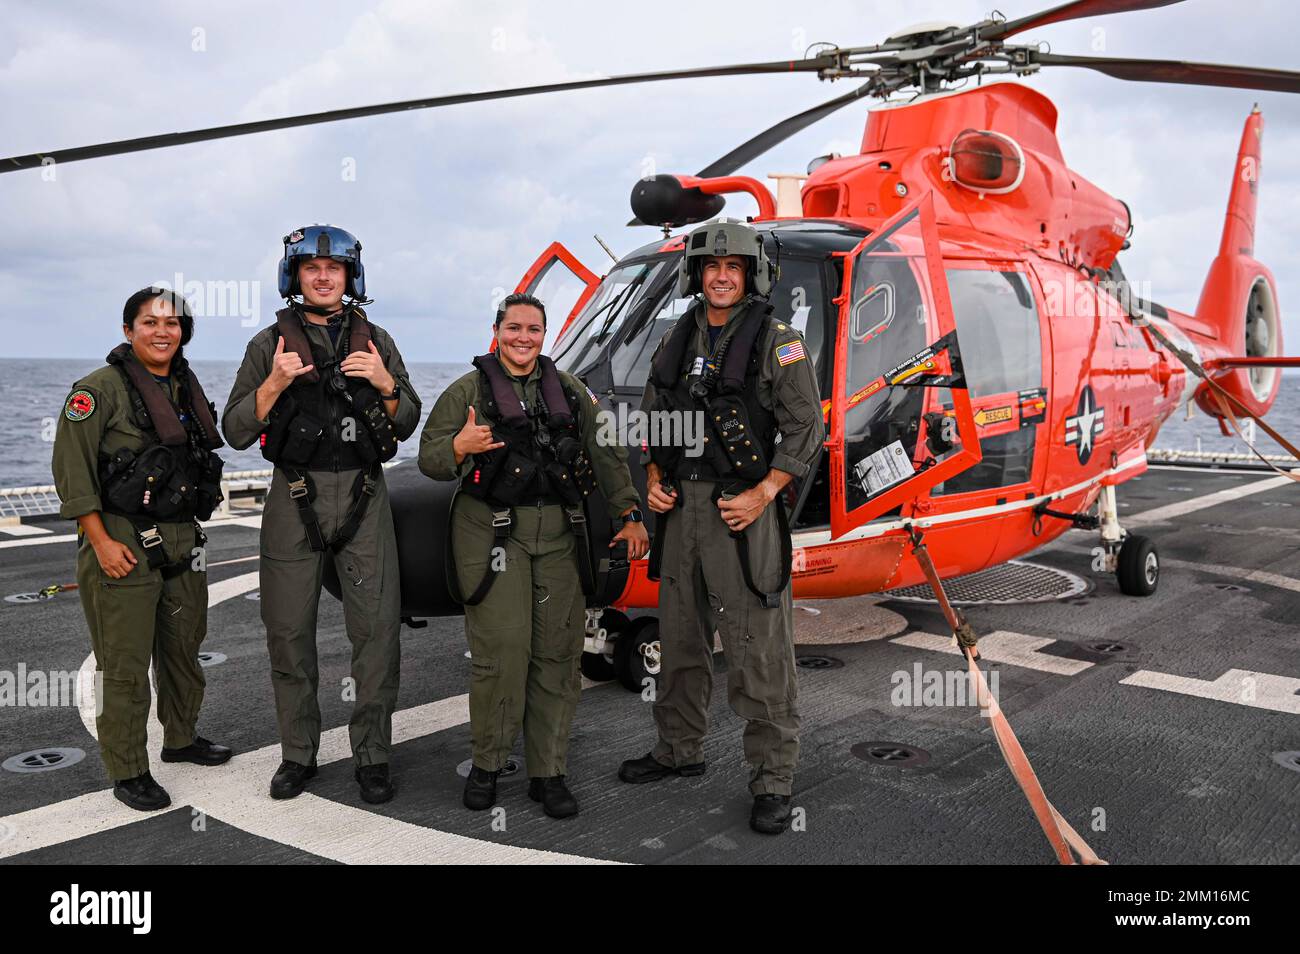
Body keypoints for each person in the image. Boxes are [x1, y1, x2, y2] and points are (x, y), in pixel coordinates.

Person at [618, 220, 824, 835]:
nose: (722, 276)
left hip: (743, 513)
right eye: (712, 266)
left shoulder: (777, 341)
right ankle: (677, 749)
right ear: (697, 274)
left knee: (758, 652)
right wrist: (655, 475)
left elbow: (805, 429)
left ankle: (772, 780)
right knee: (679, 638)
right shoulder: (675, 340)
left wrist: (765, 494)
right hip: (681, 512)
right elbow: (655, 416)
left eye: (733, 266)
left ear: (751, 272)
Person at [419, 292, 647, 818]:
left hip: (559, 536)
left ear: (545, 336)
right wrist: (461, 446)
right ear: (496, 330)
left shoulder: (568, 390)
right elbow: (431, 457)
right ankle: (488, 764)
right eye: (515, 327)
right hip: (493, 533)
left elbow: (606, 452)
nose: (524, 338)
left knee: (559, 655)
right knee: (502, 653)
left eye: (534, 330)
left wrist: (629, 514)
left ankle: (549, 771)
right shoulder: (467, 391)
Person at [222, 225, 420, 805]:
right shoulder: (268, 345)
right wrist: (275, 384)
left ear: (350, 276)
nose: (324, 276)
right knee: (287, 632)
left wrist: (384, 381)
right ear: (296, 276)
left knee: (378, 632)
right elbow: (236, 429)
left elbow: (406, 422)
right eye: (311, 268)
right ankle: (298, 754)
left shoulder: (376, 339)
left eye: (333, 269)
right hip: (294, 494)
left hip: (364, 494)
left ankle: (374, 755)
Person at [53, 286, 233, 811]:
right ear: (128, 330)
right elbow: (72, 471)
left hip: (180, 537)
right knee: (125, 663)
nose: (162, 331)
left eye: (173, 324)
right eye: (150, 322)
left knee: (182, 650)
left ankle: (181, 740)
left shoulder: (182, 387)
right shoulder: (96, 390)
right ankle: (129, 769)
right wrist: (101, 541)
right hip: (121, 539)